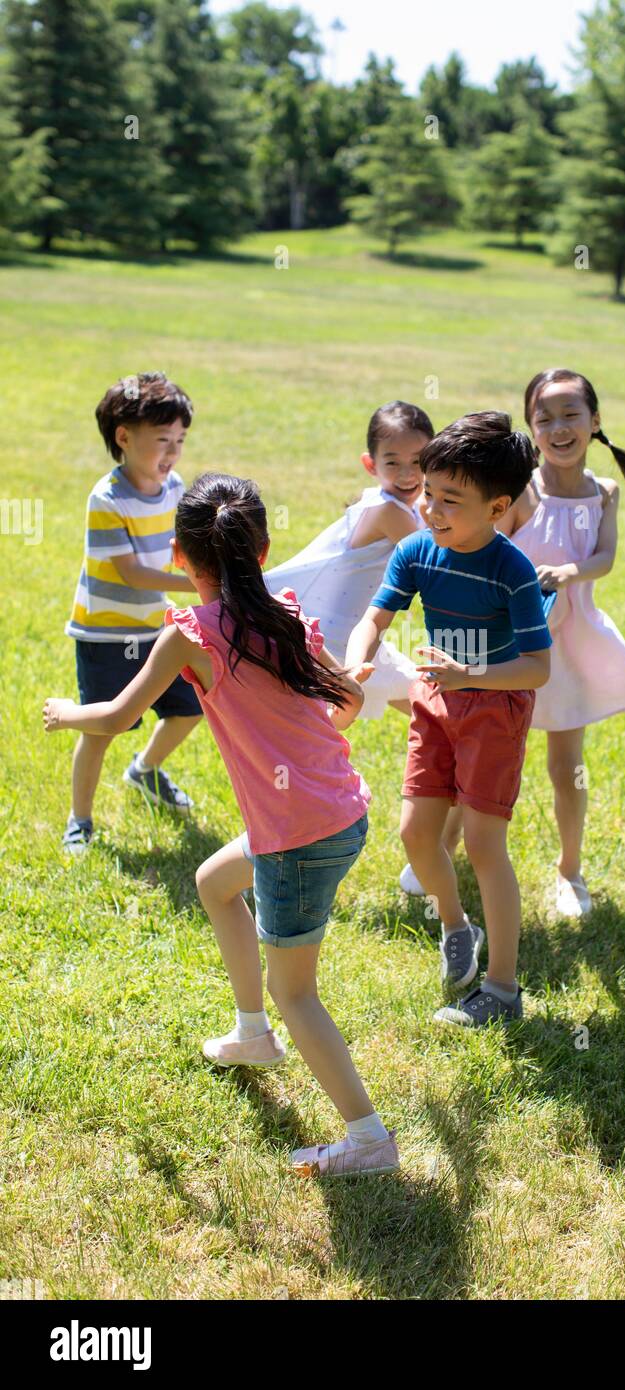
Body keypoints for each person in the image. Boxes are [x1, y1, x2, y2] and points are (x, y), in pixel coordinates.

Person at [44, 472, 399, 1179]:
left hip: (300, 836)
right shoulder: (287, 614)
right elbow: (352, 696)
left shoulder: (190, 635)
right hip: (339, 811)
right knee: (214, 882)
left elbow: (117, 717)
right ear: (263, 550)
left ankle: (368, 1139)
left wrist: (65, 713)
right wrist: (307, 745)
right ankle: (250, 1035)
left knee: (296, 992)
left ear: (179, 556)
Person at [346, 413, 551, 1028]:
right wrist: (357, 662)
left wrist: (471, 678)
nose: (431, 510)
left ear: (498, 507)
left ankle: (503, 991)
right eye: (429, 495)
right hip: (438, 700)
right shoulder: (416, 550)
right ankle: (458, 928)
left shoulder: (511, 571)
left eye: (449, 501)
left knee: (485, 844)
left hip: (493, 708)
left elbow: (537, 668)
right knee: (415, 835)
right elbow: (375, 618)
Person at [264, 399, 462, 891]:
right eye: (392, 463)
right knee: (439, 719)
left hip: (355, 644)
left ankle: (437, 844)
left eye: (419, 461)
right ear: (371, 464)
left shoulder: (393, 505)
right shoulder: (390, 512)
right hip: (336, 647)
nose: (407, 472)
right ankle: (292, 845)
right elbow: (441, 550)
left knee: (439, 716)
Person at [499, 368, 625, 918]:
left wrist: (570, 571)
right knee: (488, 754)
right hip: (515, 646)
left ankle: (570, 871)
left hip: (571, 644)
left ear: (594, 422)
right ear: (531, 427)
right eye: (546, 418)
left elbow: (605, 559)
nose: (559, 427)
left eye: (571, 415)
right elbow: (492, 556)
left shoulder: (604, 493)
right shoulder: (522, 493)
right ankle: (444, 850)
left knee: (567, 765)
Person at [62, 372, 202, 853]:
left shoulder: (175, 486)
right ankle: (80, 819)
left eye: (180, 440)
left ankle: (144, 770)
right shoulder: (107, 497)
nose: (173, 452)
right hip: (104, 633)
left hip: (154, 626)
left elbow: (182, 548)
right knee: (103, 726)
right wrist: (195, 584)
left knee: (190, 707)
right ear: (124, 438)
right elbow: (131, 573)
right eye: (163, 440)